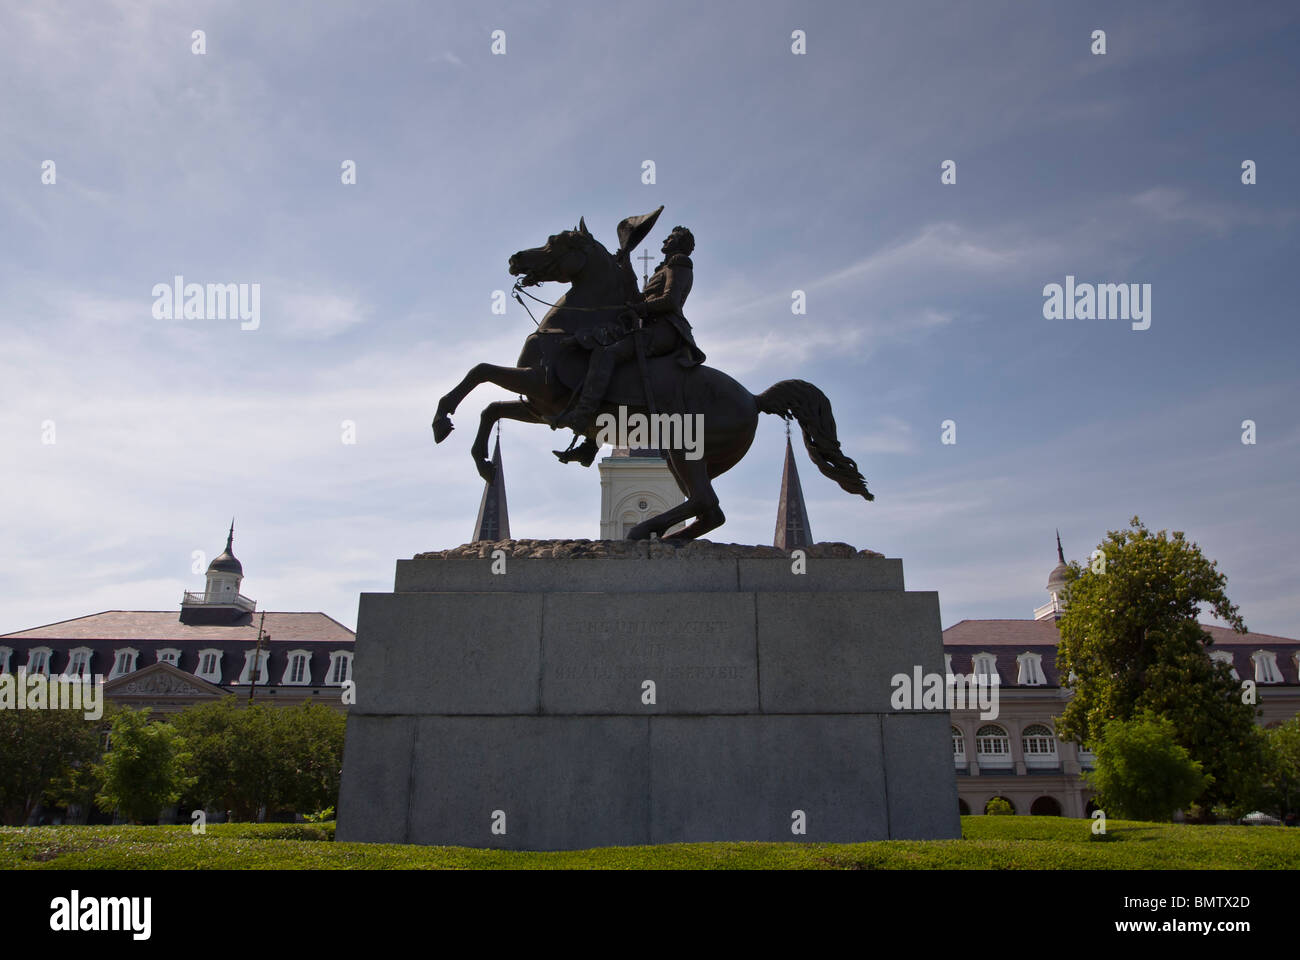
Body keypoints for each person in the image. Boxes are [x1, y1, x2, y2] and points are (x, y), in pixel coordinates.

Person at [553, 225, 705, 441]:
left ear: (680, 243)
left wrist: (640, 308)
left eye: (670, 238)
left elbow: (670, 301)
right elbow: (638, 298)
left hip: (665, 329)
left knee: (607, 354)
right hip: (648, 327)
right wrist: (626, 264)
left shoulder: (679, 262)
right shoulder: (663, 268)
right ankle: (592, 439)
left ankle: (582, 415)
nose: (665, 241)